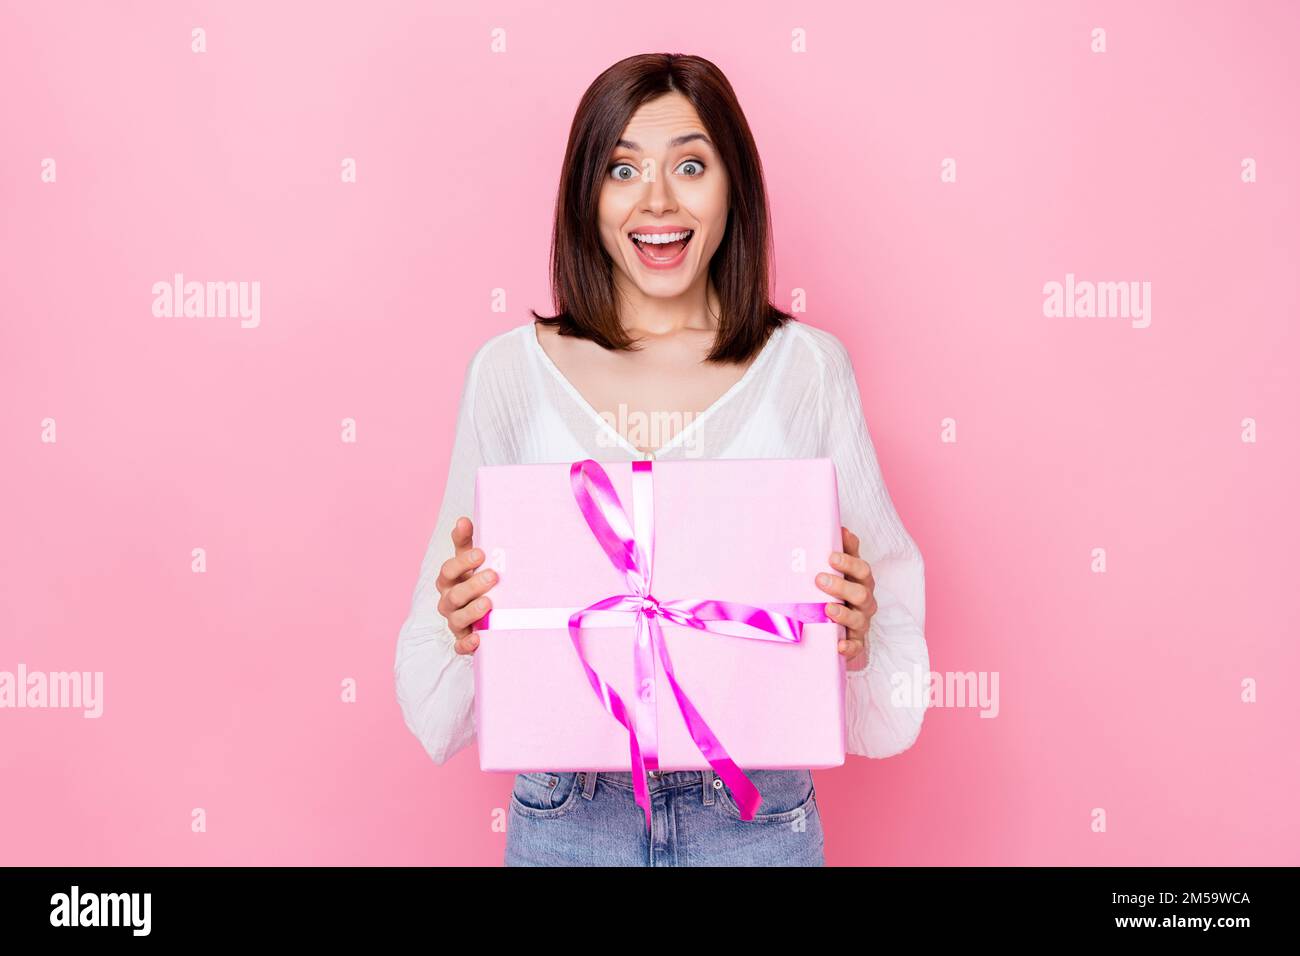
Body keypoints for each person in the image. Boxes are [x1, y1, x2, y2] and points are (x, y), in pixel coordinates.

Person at [395, 53, 929, 866]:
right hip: (566, 813)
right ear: (587, 194)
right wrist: (460, 618)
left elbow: (883, 609)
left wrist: (859, 632)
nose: (658, 201)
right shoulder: (508, 373)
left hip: (755, 814)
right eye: (622, 169)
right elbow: (436, 658)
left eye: (689, 164)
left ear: (733, 187)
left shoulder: (809, 368)